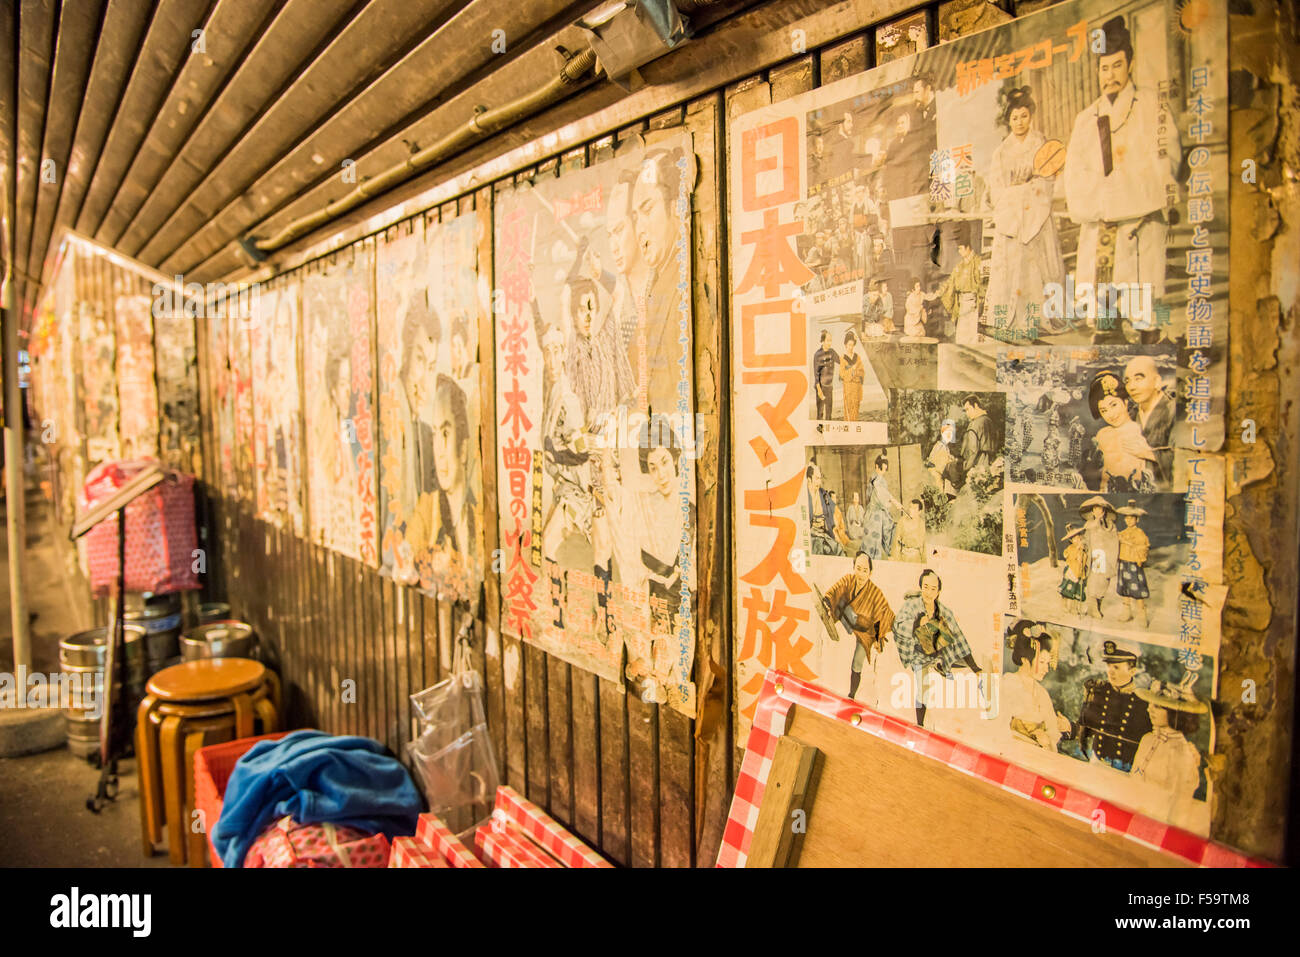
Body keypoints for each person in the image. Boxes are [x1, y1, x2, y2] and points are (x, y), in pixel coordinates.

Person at [1063, 15, 1180, 339]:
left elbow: (1166, 161)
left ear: (1129, 64)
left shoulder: (1151, 107)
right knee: (1104, 319)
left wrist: (1124, 190)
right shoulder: (1086, 119)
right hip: (1102, 228)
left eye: (1116, 66)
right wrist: (1106, 198)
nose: (1110, 75)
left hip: (1142, 226)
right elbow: (1076, 175)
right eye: (1104, 68)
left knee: (1144, 316)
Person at [594, 416, 695, 686]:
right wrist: (605, 456)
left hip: (676, 610)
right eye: (652, 467)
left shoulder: (690, 511)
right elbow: (615, 494)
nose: (660, 473)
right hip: (648, 606)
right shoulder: (642, 503)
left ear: (674, 458)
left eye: (664, 462)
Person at [983, 86, 1065, 341]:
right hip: (1012, 217)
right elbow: (996, 189)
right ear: (1008, 120)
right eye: (1014, 118)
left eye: (1024, 116)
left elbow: (1047, 180)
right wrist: (1016, 195)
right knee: (1013, 263)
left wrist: (1026, 189)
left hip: (1036, 215)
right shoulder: (1001, 152)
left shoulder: (1041, 144)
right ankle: (1012, 317)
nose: (1019, 122)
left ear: (1031, 116)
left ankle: (1041, 316)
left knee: (1038, 264)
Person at [634, 148, 689, 418]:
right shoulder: (652, 287)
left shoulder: (686, 281)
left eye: (647, 210)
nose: (639, 228)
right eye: (635, 217)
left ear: (674, 207)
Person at [891, 569, 983, 727]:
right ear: (920, 586)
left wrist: (975, 668)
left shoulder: (944, 611)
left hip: (938, 651)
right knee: (924, 686)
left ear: (939, 591)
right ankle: (920, 724)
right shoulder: (912, 604)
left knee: (962, 657)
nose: (928, 592)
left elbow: (959, 637)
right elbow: (898, 625)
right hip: (917, 652)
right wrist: (916, 624)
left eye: (933, 589)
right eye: (925, 587)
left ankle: (941, 662)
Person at [1064, 639, 1153, 772]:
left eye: (1116, 667)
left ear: (1132, 671)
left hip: (1127, 768)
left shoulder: (1143, 701)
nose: (1110, 672)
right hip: (1097, 762)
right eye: (1109, 667)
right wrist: (1069, 727)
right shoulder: (1099, 691)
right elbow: (1087, 727)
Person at [823, 551, 896, 701]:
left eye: (865, 570)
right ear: (853, 567)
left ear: (870, 572)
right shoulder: (849, 580)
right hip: (849, 618)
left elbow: (883, 614)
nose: (861, 574)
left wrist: (877, 638)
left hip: (866, 631)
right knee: (842, 603)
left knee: (857, 662)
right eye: (858, 568)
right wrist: (828, 600)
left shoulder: (875, 592)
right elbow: (837, 588)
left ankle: (852, 695)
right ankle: (833, 613)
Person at [1133, 674, 1206, 822]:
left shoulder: (1182, 752)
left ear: (1174, 713)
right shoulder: (1147, 739)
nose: (1149, 710)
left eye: (1158, 706)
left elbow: (1180, 808)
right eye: (1150, 704)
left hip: (1159, 821)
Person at [1002, 620, 1072, 750]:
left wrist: (1048, 737)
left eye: (1047, 663)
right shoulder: (1009, 682)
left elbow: (1052, 731)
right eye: (1041, 662)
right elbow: (999, 726)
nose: (1046, 668)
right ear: (1025, 660)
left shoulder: (1042, 692)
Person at [1089, 369, 1159, 491]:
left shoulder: (1140, 429)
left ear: (1125, 402)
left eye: (1114, 405)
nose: (1111, 414)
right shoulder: (1102, 434)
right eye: (1104, 410)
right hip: (1107, 489)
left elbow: (1169, 458)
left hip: (1135, 490)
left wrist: (1147, 453)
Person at [1123, 355, 1174, 485]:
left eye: (1138, 379)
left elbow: (1185, 456)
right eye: (1127, 381)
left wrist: (1148, 453)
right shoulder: (1131, 414)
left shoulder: (1175, 411)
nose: (1131, 387)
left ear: (1157, 381)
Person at [935, 231, 985, 344]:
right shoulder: (960, 265)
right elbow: (950, 280)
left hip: (974, 301)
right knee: (962, 333)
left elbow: (982, 283)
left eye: (961, 248)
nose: (959, 251)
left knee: (972, 332)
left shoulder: (978, 262)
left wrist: (981, 300)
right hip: (962, 302)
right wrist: (940, 291)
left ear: (968, 248)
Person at [1079, 495, 1119, 618]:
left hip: (1106, 555)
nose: (1098, 511)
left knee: (1103, 582)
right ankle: (1093, 607)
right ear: (1092, 511)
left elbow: (1113, 539)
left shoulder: (1110, 525)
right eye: (1095, 509)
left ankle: (1096, 606)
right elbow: (1086, 538)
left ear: (1104, 510)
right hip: (1095, 555)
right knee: (1094, 581)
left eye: (1100, 509)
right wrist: (1082, 545)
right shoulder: (1089, 524)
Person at [1116, 500, 1151, 625]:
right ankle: (1127, 611)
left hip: (1134, 564)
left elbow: (1144, 547)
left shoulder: (1140, 533)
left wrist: (1129, 543)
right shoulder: (1122, 533)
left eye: (1132, 518)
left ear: (1137, 519)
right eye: (1127, 518)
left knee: (1137, 588)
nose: (1129, 520)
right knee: (1125, 587)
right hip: (1123, 562)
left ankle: (1142, 614)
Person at [861, 454, 901, 559]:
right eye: (882, 469)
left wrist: (889, 502)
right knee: (872, 538)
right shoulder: (876, 480)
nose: (883, 472)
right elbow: (881, 494)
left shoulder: (879, 479)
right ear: (876, 467)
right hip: (874, 512)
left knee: (883, 533)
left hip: (878, 511)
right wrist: (893, 502)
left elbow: (883, 494)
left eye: (885, 470)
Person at [806, 462, 844, 556]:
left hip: (824, 533)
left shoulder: (823, 494)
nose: (819, 482)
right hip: (811, 536)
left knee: (838, 550)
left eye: (820, 478)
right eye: (817, 478)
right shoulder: (804, 496)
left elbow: (832, 514)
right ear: (809, 479)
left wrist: (836, 535)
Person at [1058, 522, 1089, 617]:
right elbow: (1068, 557)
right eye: (1075, 538)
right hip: (1071, 571)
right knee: (1068, 590)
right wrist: (1076, 552)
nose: (1078, 540)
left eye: (1079, 538)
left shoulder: (1083, 549)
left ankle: (1075, 608)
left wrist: (1082, 555)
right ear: (1071, 540)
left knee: (1077, 591)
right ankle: (1064, 605)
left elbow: (1085, 561)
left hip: (1079, 572)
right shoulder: (1070, 548)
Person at [960, 394, 994, 476]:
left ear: (975, 405)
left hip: (976, 468)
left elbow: (973, 450)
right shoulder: (989, 421)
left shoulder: (974, 424)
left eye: (968, 409)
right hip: (990, 467)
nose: (967, 414)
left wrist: (965, 468)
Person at [927, 419, 962, 498]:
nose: (950, 436)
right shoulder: (939, 446)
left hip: (943, 478)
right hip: (937, 479)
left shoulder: (945, 447)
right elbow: (937, 464)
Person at [839, 331, 865, 421]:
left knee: (856, 406)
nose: (851, 347)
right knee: (848, 407)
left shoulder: (857, 357)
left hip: (856, 386)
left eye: (852, 345)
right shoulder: (843, 358)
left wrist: (855, 372)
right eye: (849, 345)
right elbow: (842, 374)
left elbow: (862, 372)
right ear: (845, 344)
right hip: (848, 386)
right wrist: (852, 370)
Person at [813, 330, 838, 420]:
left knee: (829, 414)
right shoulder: (817, 354)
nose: (830, 342)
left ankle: (828, 433)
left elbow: (841, 361)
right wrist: (819, 390)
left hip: (829, 387)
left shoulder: (832, 352)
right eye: (828, 340)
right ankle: (820, 433)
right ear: (823, 341)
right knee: (820, 414)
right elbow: (816, 375)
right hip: (820, 387)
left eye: (831, 340)